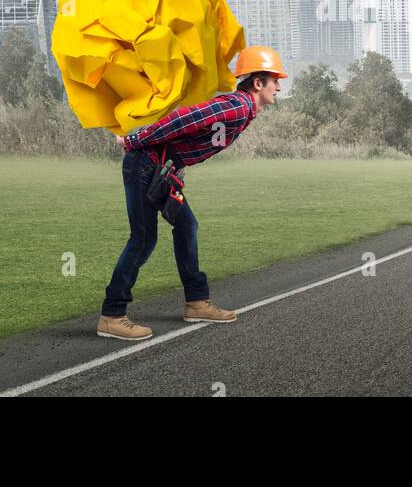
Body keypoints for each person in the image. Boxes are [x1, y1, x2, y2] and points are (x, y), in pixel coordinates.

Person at [96, 45, 287, 340]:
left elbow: (191, 136)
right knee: (143, 238)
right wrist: (135, 139)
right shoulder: (236, 107)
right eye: (275, 79)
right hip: (144, 163)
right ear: (258, 82)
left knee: (187, 225)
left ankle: (196, 303)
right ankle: (112, 315)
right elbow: (184, 119)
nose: (279, 85)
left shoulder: (244, 111)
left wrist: (176, 169)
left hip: (160, 168)